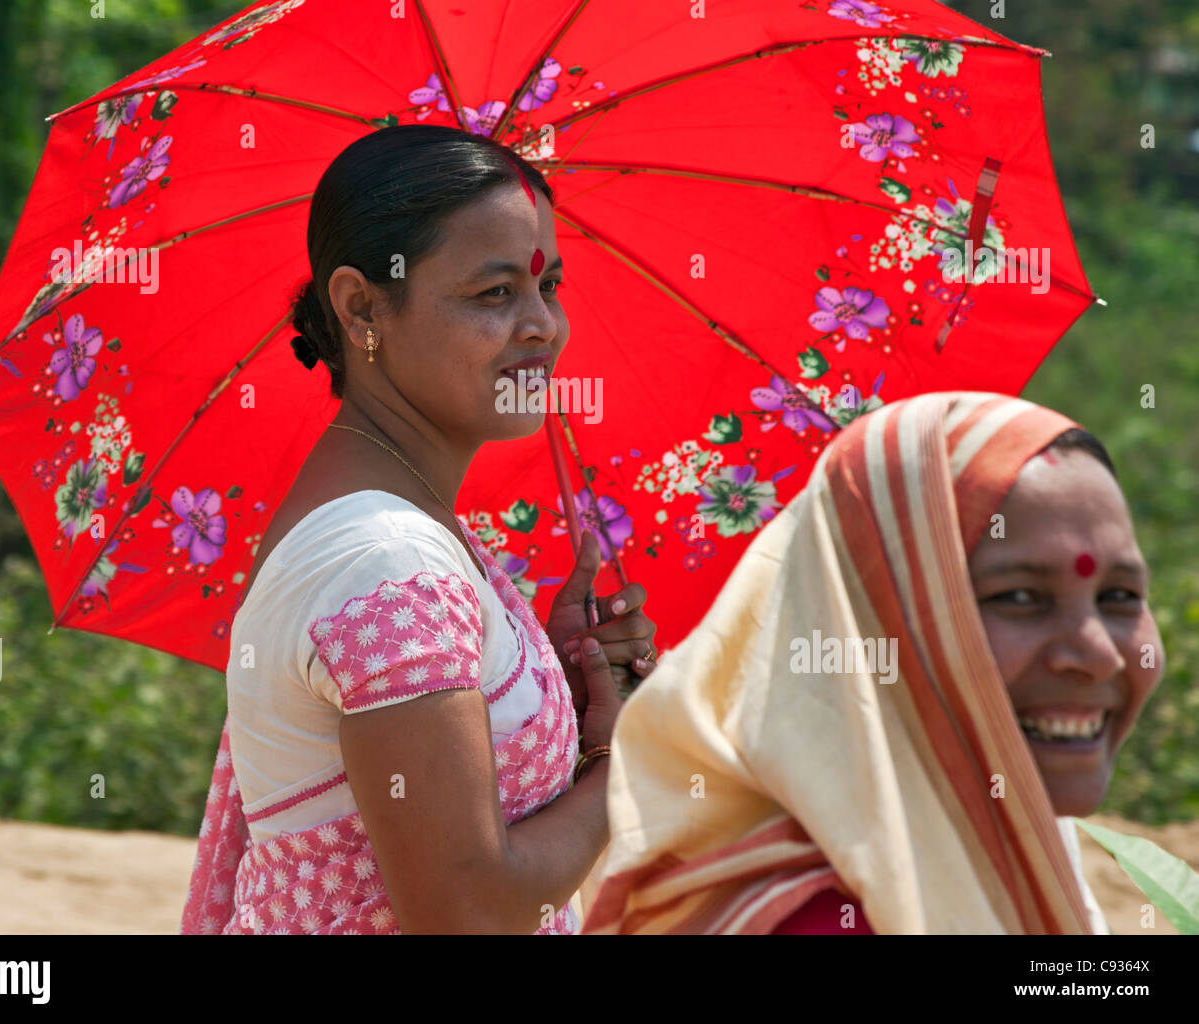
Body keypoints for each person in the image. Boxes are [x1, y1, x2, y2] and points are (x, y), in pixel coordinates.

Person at [180, 124, 657, 935]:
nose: (543, 325)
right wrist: (624, 765)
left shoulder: (386, 529)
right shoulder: (387, 563)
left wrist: (556, 688)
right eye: (495, 293)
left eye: (549, 286)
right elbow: (465, 911)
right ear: (364, 308)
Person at [582, 390, 1162, 934]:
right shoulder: (815, 917)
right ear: (872, 620)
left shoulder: (1008, 840)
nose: (1099, 655)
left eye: (1119, 597)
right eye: (1018, 597)